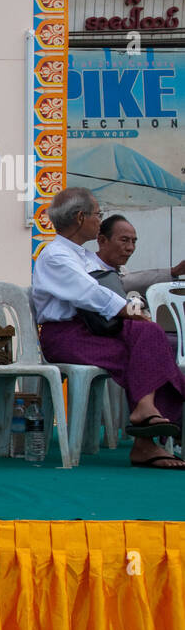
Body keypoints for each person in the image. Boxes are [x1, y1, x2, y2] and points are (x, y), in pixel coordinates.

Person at [32, 187, 185, 470]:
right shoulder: (55, 255)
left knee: (151, 337)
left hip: (97, 332)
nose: (99, 219)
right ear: (80, 217)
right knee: (154, 357)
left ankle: (144, 414)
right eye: (97, 214)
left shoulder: (86, 257)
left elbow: (121, 282)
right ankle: (145, 440)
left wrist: (144, 299)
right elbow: (88, 291)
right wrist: (129, 310)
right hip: (66, 336)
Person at [95, 214, 185, 295]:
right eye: (124, 240)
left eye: (133, 242)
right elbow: (119, 285)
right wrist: (173, 272)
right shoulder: (89, 269)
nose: (130, 248)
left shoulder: (122, 270)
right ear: (102, 241)